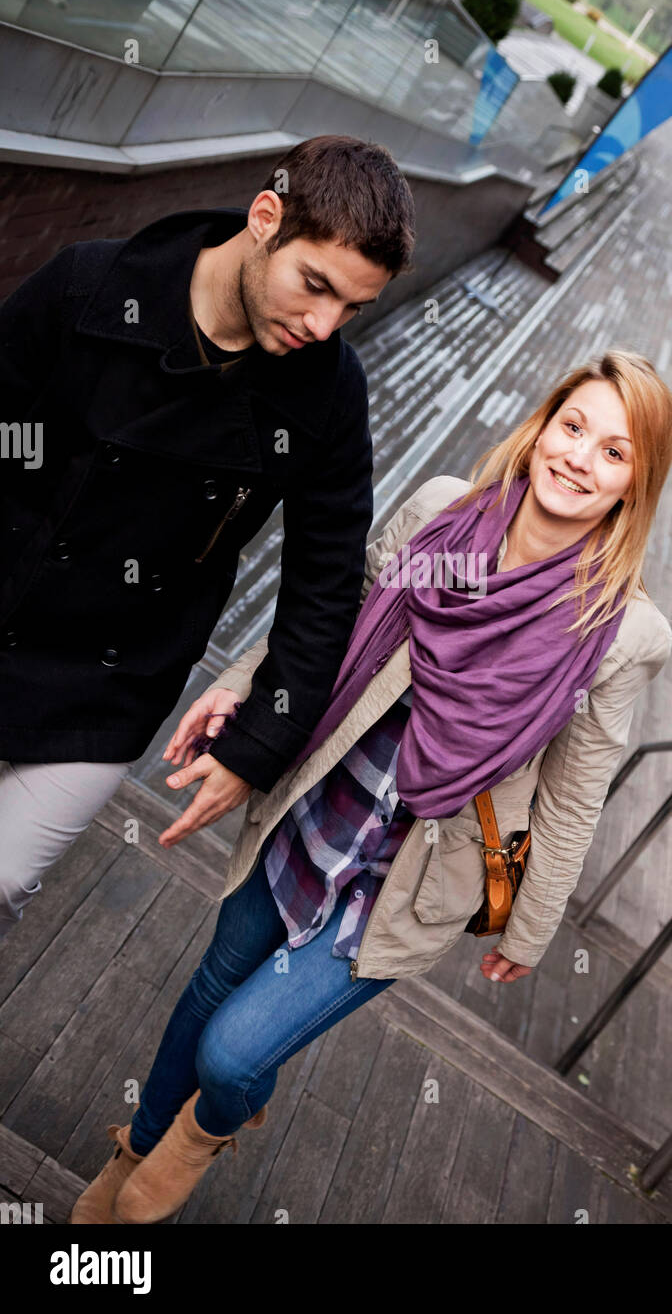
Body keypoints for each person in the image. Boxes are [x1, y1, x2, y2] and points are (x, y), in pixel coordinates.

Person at [69, 347, 672, 1225]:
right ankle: (135, 1145)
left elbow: (578, 792)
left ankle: (203, 1130)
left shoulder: (619, 631)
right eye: (572, 426)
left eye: (614, 452)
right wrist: (241, 687)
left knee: (236, 1054)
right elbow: (330, 622)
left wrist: (532, 925)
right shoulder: (440, 514)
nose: (579, 458)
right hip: (315, 810)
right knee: (210, 990)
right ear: (542, 424)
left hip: (414, 876)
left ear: (636, 483)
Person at [0, 135, 415, 940]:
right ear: (266, 218)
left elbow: (324, 584)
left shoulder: (328, 397)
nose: (325, 324)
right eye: (316, 286)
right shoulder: (90, 285)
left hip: (109, 682)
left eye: (352, 308)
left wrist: (257, 741)